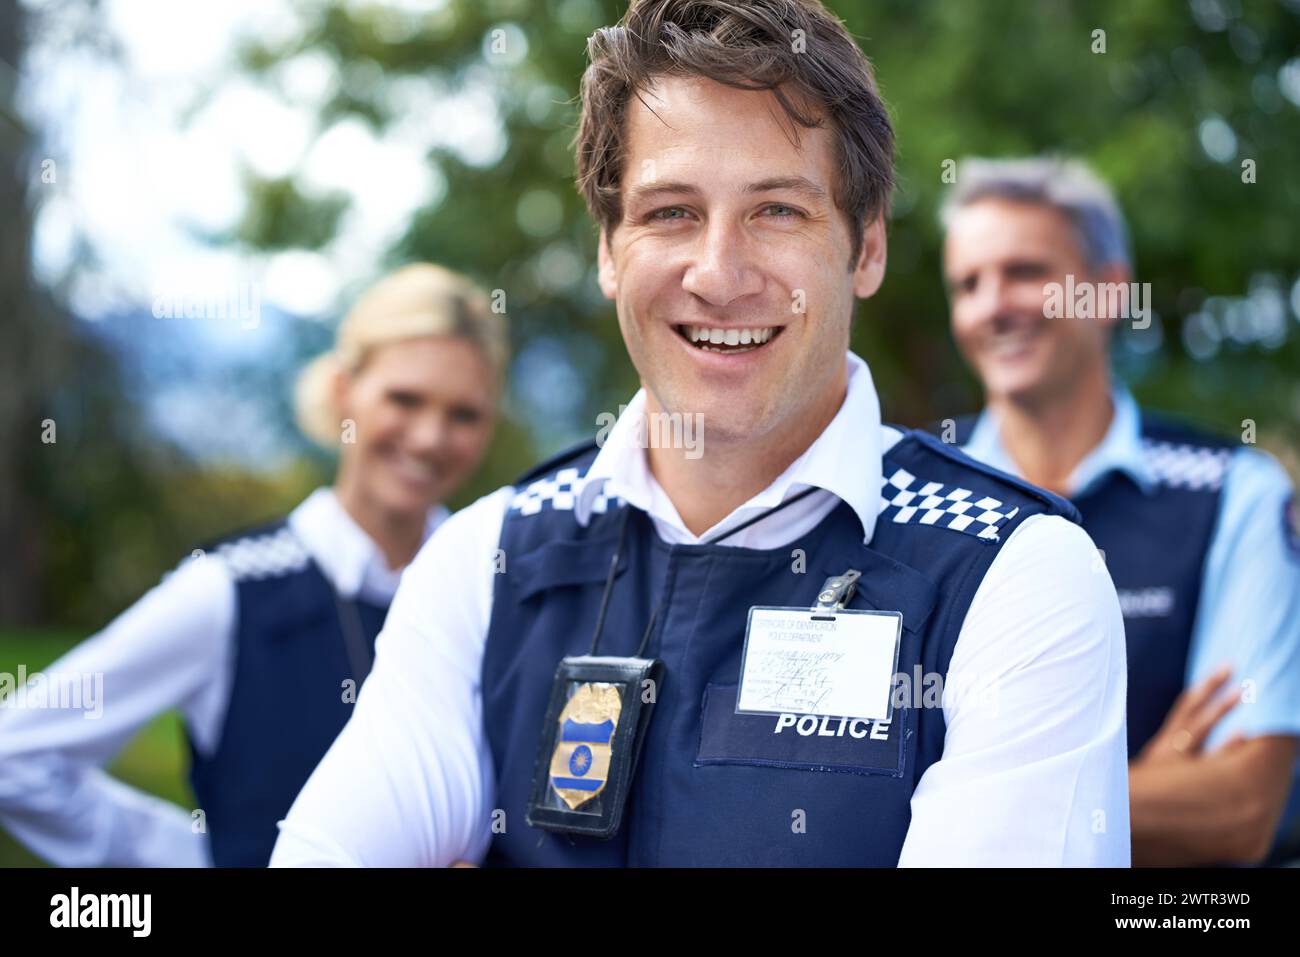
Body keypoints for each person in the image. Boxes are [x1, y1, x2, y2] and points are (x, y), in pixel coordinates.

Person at [272, 0, 1129, 868]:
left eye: (777, 212)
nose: (718, 275)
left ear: (865, 248)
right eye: (671, 212)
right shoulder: (483, 559)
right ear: (609, 249)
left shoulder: (1013, 573)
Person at [0, 263, 506, 866]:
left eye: (463, 414)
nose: (429, 438)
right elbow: (15, 754)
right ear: (344, 390)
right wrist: (202, 857)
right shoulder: (230, 590)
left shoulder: (500, 584)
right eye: (404, 398)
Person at [938, 156, 1300, 866]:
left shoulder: (1234, 493)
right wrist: (1143, 784)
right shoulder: (909, 494)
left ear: (1107, 293)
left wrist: (962, 802)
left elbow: (1239, 808)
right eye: (968, 284)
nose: (993, 305)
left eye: (1025, 272)